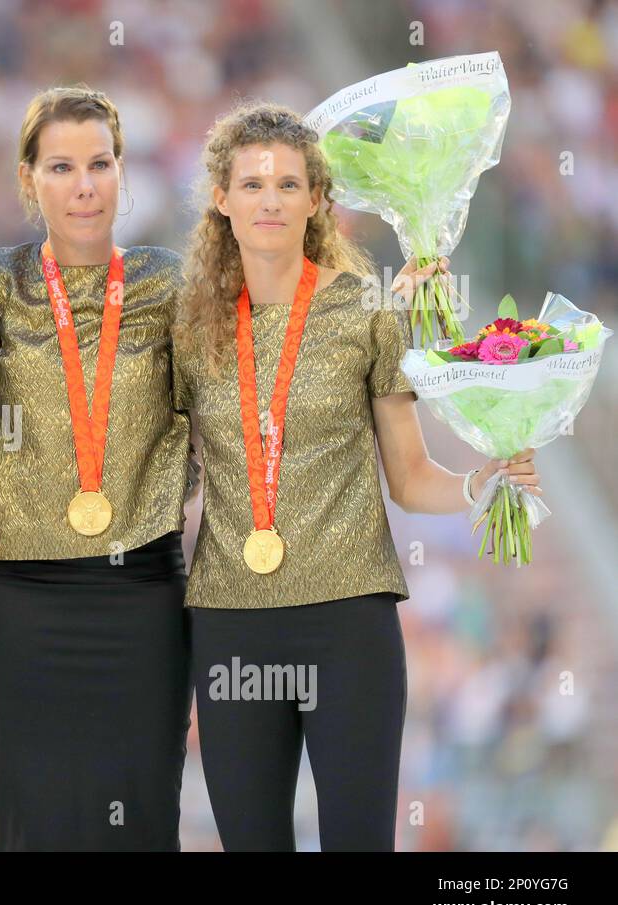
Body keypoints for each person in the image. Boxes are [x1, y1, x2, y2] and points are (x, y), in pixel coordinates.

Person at [174, 102, 542, 851]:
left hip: (347, 623)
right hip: (230, 622)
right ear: (221, 198)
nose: (270, 199)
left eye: (288, 183)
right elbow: (167, 474)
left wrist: (483, 482)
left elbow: (408, 476)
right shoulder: (186, 325)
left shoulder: (368, 312)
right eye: (251, 184)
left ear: (317, 200)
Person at [0, 86, 196, 850]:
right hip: (25, 598)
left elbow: (219, 400)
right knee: (35, 825)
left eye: (99, 163)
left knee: (142, 816)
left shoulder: (169, 281)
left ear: (123, 172)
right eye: (60, 166)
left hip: (144, 595)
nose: (84, 184)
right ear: (28, 180)